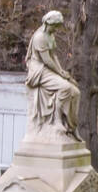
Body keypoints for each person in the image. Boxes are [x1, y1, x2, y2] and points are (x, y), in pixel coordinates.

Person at [24, 10, 81, 139]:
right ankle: (57, 121)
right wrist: (60, 73)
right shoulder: (40, 37)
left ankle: (72, 127)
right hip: (38, 71)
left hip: (48, 69)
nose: (56, 29)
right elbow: (47, 60)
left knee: (76, 92)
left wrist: (62, 71)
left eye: (57, 26)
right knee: (65, 87)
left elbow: (53, 55)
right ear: (48, 23)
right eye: (55, 26)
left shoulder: (50, 35)